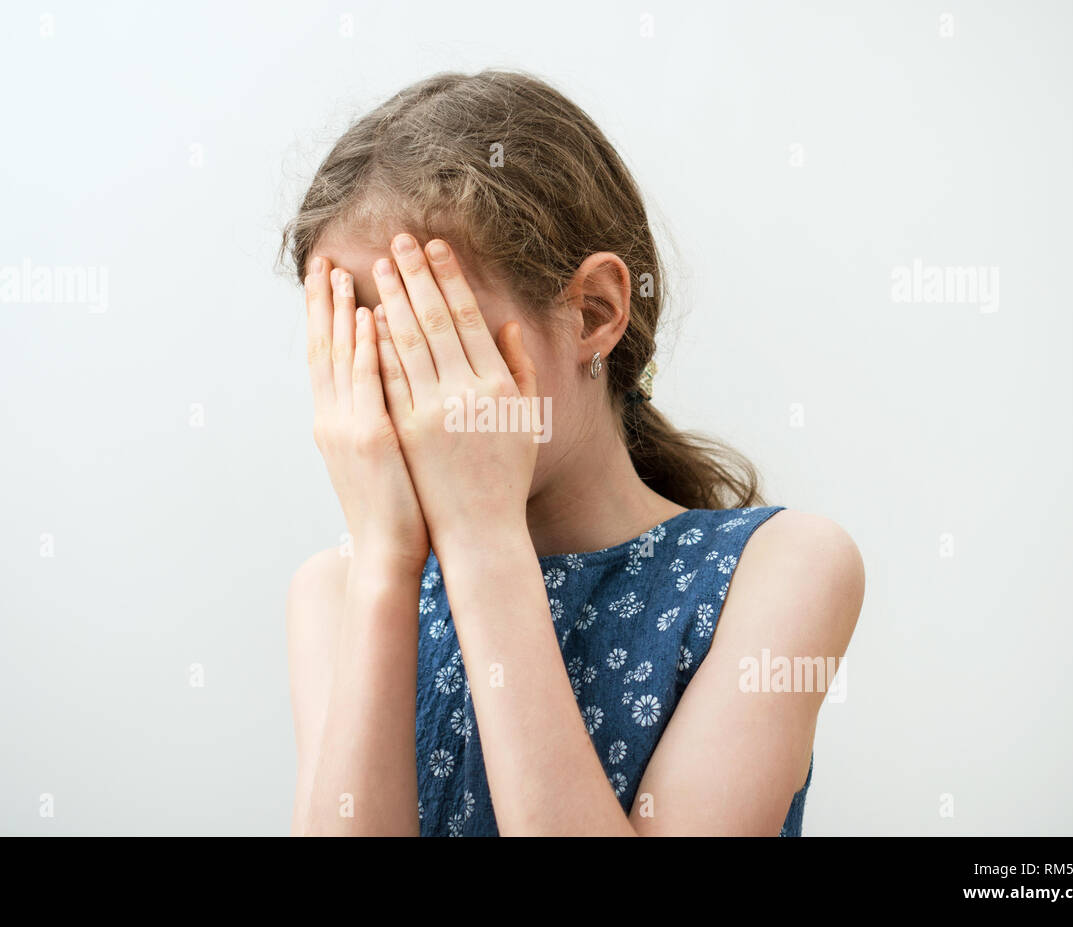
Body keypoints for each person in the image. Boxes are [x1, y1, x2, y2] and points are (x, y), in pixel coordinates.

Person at [283, 70, 864, 836]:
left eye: (434, 341)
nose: (393, 399)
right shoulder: (339, 591)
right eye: (354, 348)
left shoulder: (785, 568)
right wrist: (388, 561)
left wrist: (484, 536)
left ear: (593, 312)